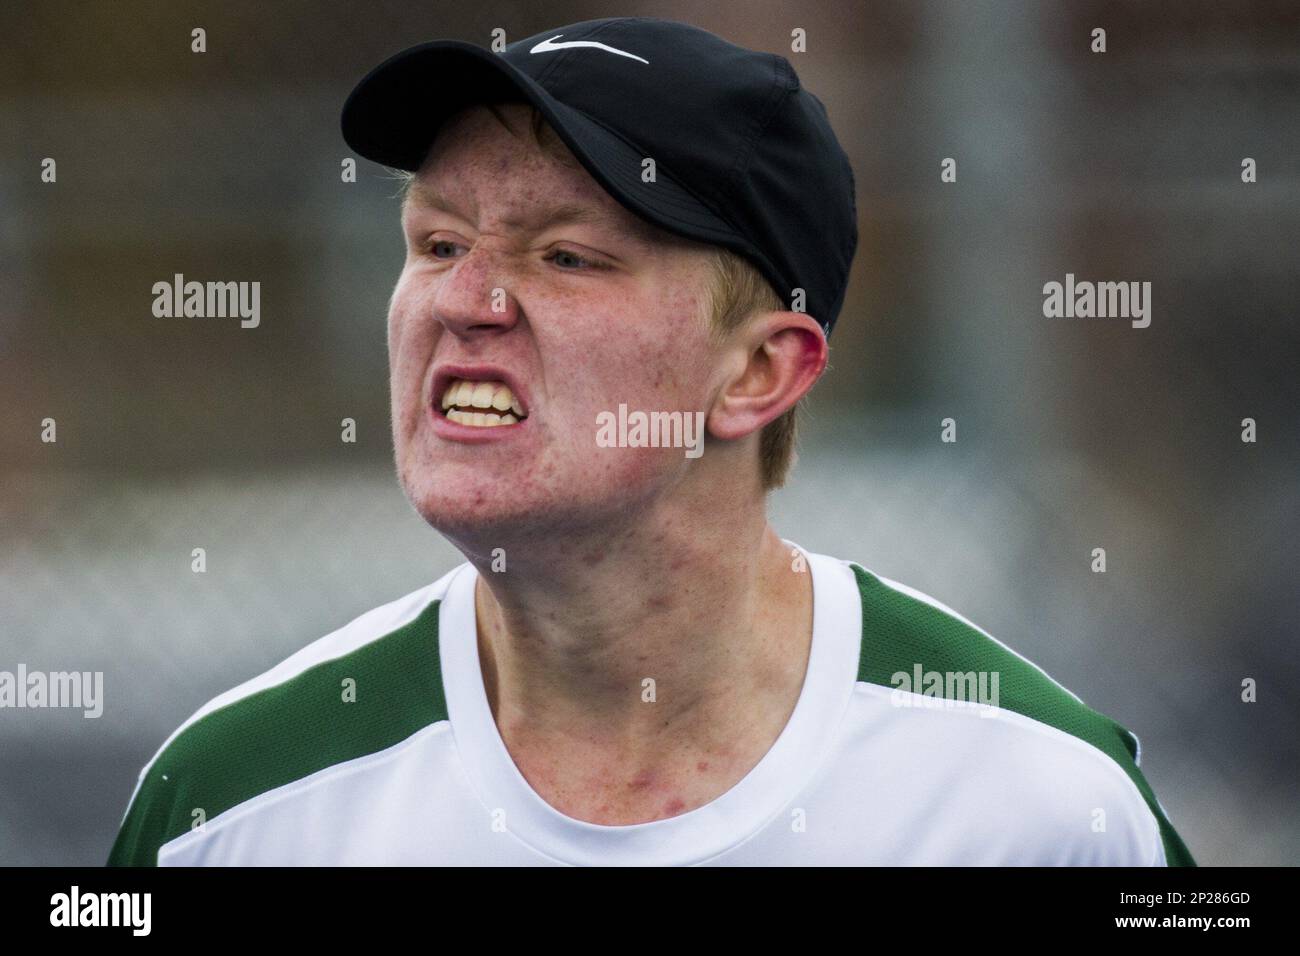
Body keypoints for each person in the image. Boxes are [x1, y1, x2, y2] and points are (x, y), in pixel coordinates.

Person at [108, 16, 1194, 866]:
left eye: (567, 257)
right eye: (437, 241)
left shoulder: (1033, 799)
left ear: (760, 371)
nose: (466, 299)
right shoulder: (232, 803)